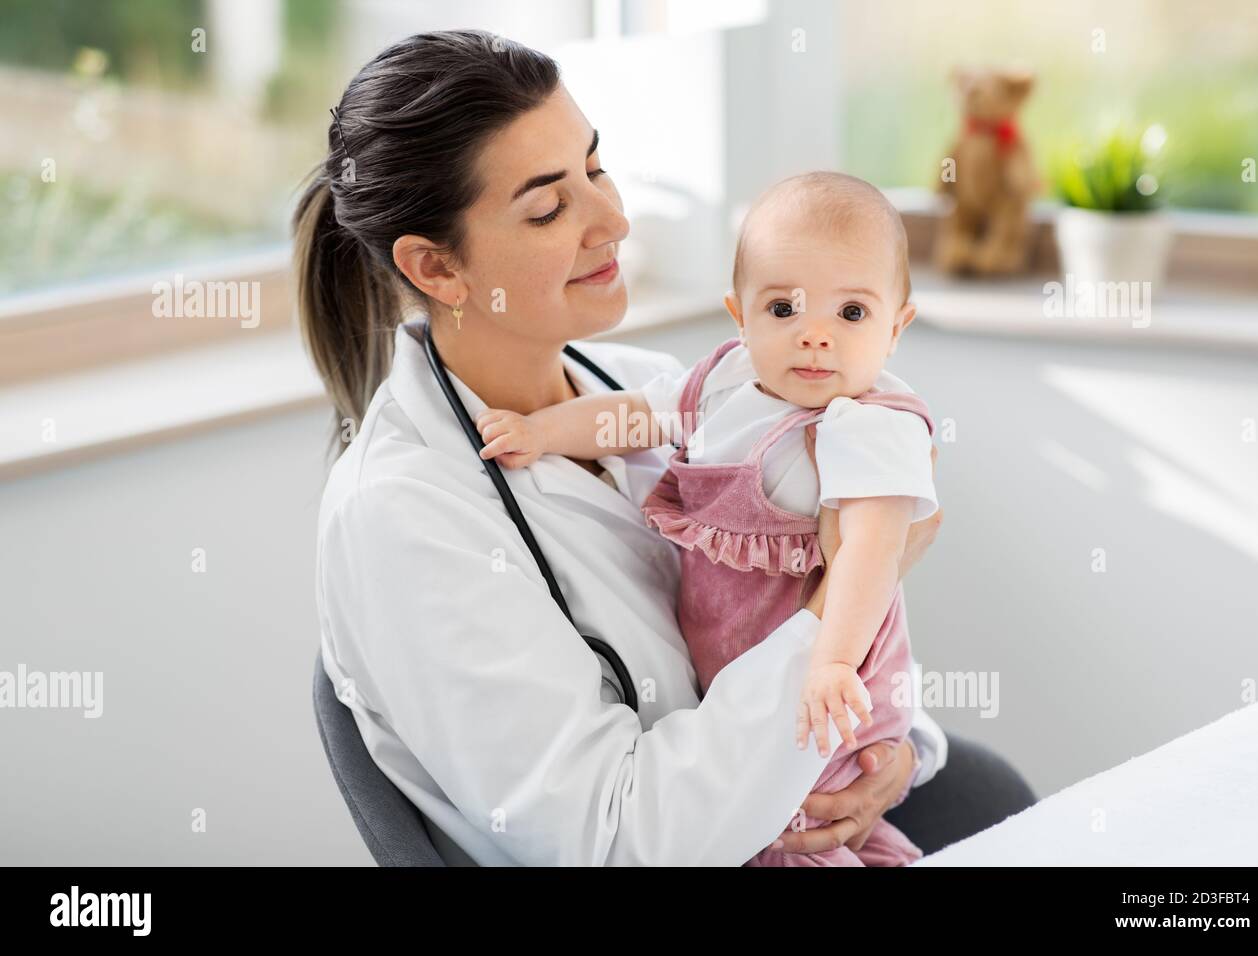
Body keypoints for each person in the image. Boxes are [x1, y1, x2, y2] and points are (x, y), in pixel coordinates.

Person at [295, 29, 1033, 866]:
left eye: (596, 169)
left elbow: (756, 620)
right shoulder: (400, 516)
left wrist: (892, 759)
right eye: (548, 208)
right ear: (437, 269)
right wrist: (848, 592)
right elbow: (619, 839)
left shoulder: (650, 388)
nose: (613, 220)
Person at [473, 172, 936, 866]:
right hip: (728, 679)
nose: (814, 337)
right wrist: (542, 432)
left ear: (895, 327)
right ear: (739, 315)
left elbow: (872, 551)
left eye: (851, 314)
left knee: (797, 831)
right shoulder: (722, 383)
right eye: (784, 309)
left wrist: (834, 660)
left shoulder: (868, 424)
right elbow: (635, 416)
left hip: (830, 692)